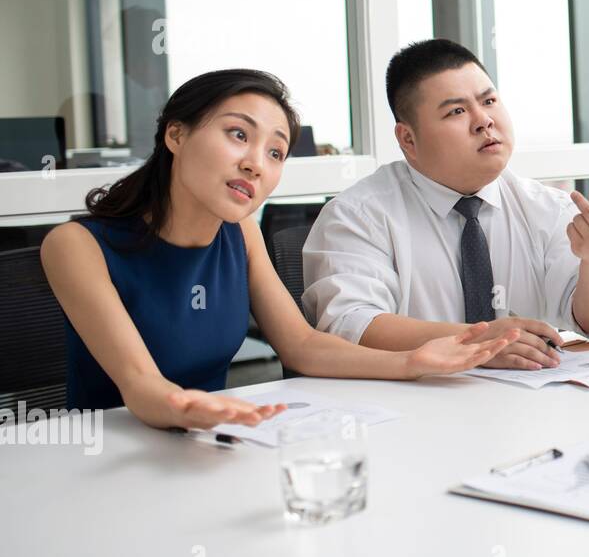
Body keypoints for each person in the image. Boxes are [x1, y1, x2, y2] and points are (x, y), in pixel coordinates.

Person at [42, 69, 517, 430]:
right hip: (112, 452)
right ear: (176, 135)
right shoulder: (77, 246)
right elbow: (142, 387)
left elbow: (303, 345)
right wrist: (193, 408)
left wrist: (411, 362)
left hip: (211, 442)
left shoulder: (241, 233)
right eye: (238, 134)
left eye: (275, 152)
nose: (255, 164)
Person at [302, 39, 589, 365]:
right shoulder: (358, 215)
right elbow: (350, 324)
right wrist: (481, 341)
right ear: (408, 139)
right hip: (414, 408)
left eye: (489, 101)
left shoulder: (548, 208)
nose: (484, 121)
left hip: (529, 408)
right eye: (457, 111)